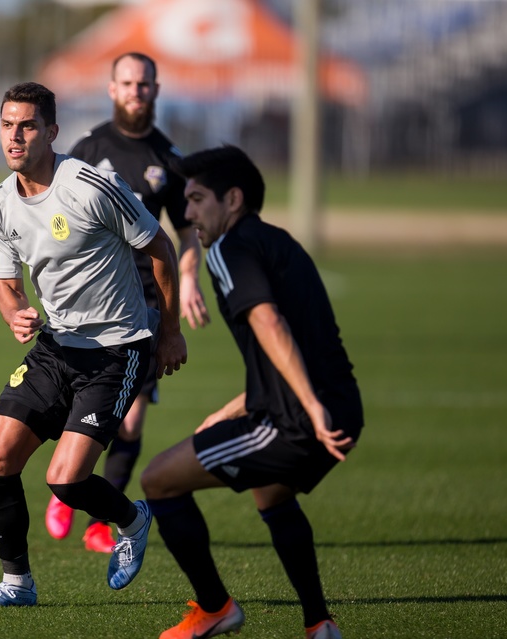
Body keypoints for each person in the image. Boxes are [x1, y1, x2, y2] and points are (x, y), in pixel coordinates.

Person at [0, 81, 188, 609]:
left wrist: (171, 330)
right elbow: (6, 283)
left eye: (26, 126)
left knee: (65, 481)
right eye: (6, 125)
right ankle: (16, 583)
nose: (14, 136)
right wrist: (15, 314)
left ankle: (132, 520)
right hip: (55, 347)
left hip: (117, 349)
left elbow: (161, 246)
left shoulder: (90, 185)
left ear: (51, 132)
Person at [140, 145, 363, 639]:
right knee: (271, 493)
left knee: (158, 480)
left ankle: (215, 608)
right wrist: (233, 407)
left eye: (197, 199)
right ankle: (319, 623)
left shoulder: (227, 250)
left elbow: (268, 322)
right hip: (341, 407)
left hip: (298, 420)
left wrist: (308, 408)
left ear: (233, 199)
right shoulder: (279, 243)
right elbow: (294, 345)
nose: (189, 213)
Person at [45, 51, 211, 554]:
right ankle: (68, 484)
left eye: (145, 83)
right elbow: (58, 213)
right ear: (112, 89)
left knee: (132, 416)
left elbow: (189, 233)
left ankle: (101, 516)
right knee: (82, 398)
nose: (136, 91)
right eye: (127, 82)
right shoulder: (89, 148)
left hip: (148, 297)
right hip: (95, 294)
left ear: (156, 90)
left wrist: (189, 277)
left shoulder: (169, 158)